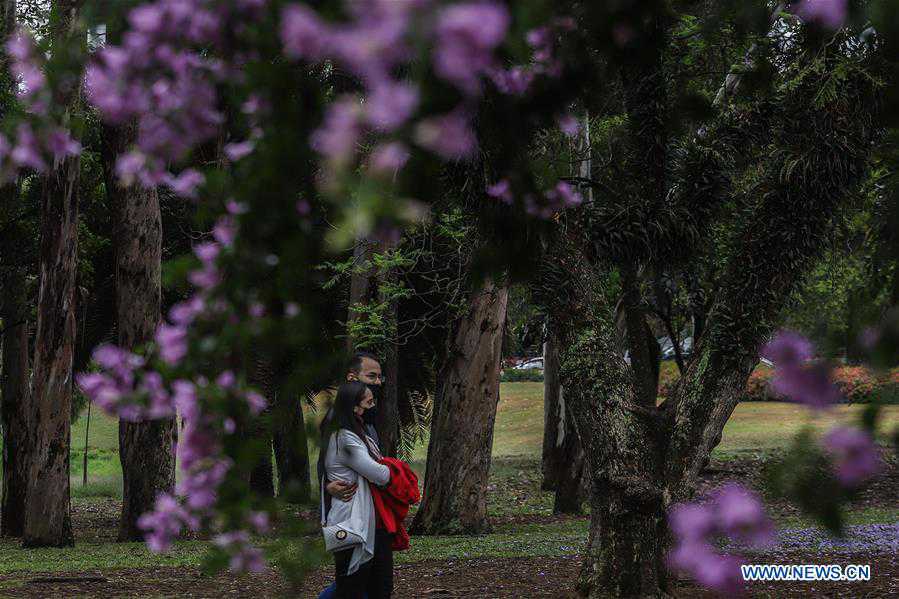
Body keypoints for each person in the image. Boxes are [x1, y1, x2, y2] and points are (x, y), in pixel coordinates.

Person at [319, 352, 387, 599]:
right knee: (353, 584)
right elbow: (375, 471)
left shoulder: (364, 420)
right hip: (355, 517)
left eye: (380, 377)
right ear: (352, 379)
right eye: (372, 376)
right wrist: (328, 485)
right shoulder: (341, 427)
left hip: (372, 514)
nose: (378, 383)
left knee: (364, 583)